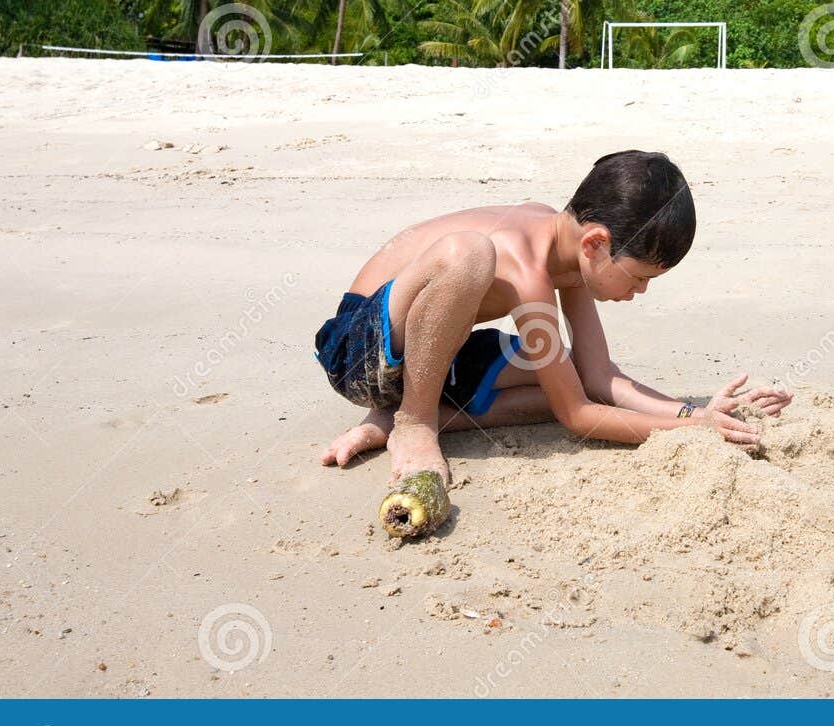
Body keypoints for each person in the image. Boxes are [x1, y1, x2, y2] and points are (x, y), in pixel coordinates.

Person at [314, 149, 792, 488]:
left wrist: (697, 414)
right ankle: (415, 423)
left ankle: (395, 419)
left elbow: (600, 376)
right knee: (470, 253)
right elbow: (578, 419)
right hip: (360, 350)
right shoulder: (527, 266)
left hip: (437, 352)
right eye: (640, 276)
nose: (640, 292)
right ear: (596, 244)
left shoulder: (569, 252)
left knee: (564, 376)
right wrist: (691, 433)